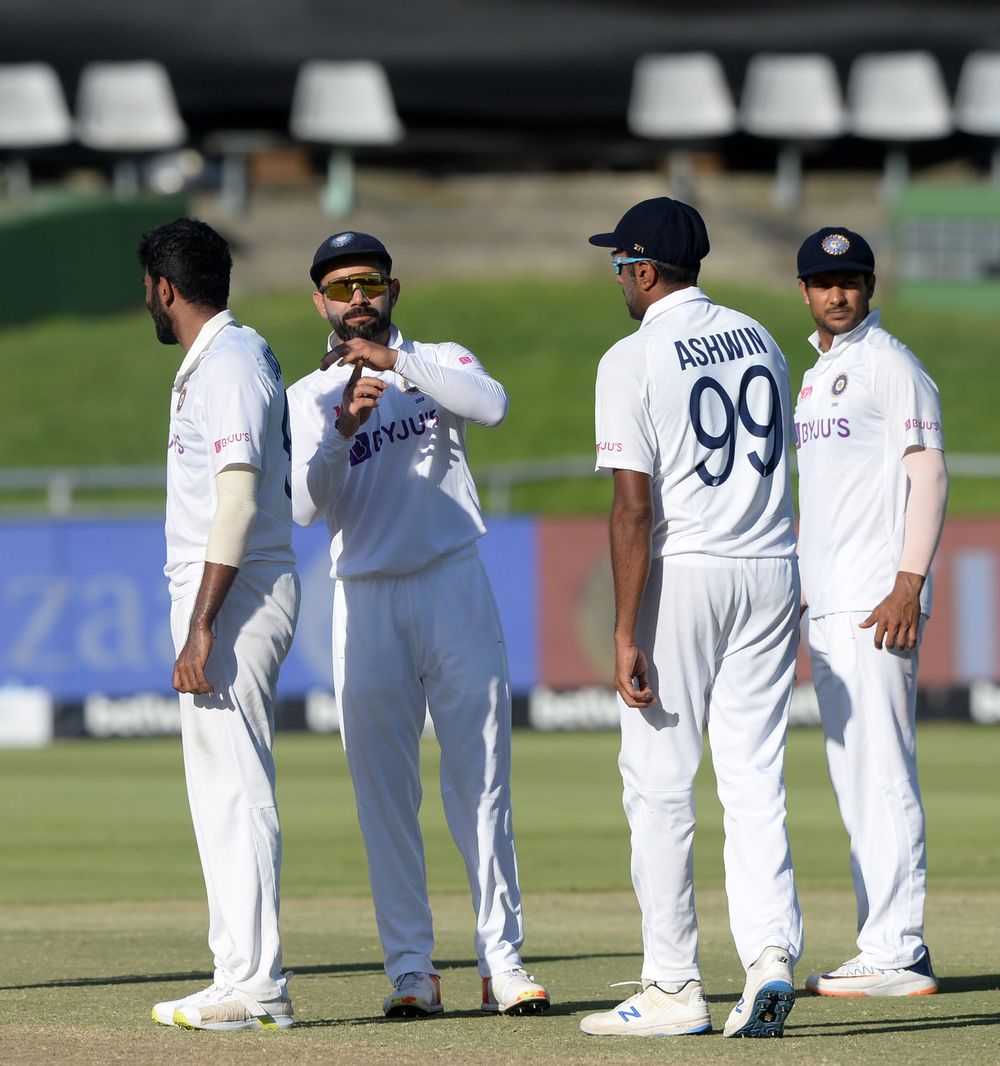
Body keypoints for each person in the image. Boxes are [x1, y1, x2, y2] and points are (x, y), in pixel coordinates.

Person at [286, 230, 549, 1019]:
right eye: (341, 288)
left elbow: (493, 405)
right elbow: (302, 505)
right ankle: (411, 970)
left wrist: (395, 366)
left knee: (482, 779)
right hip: (364, 598)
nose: (356, 299)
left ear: (392, 290)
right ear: (320, 303)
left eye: (369, 283)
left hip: (452, 582)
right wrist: (342, 431)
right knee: (384, 797)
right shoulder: (306, 395)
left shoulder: (440, 360)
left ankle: (502, 962)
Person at [579, 197, 802, 1040]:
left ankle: (673, 985)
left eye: (619, 266)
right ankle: (771, 953)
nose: (618, 281)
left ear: (642, 270)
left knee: (661, 784)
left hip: (692, 571)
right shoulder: (765, 338)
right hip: (772, 565)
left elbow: (632, 509)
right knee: (754, 778)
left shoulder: (630, 357)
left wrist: (624, 630)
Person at [140, 218, 300, 1031]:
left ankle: (259, 984)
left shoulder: (230, 362)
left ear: (164, 288)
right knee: (218, 791)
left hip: (234, 597)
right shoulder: (223, 358)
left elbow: (236, 500)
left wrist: (202, 624)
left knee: (239, 787)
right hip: (225, 593)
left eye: (149, 291)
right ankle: (234, 971)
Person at [794, 227, 948, 997]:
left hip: (879, 602)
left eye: (851, 278)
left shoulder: (891, 366)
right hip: (829, 607)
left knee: (884, 774)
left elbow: (930, 473)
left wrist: (909, 582)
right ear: (805, 292)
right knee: (854, 778)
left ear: (870, 284)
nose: (839, 292)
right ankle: (880, 942)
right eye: (825, 281)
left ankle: (900, 949)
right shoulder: (816, 377)